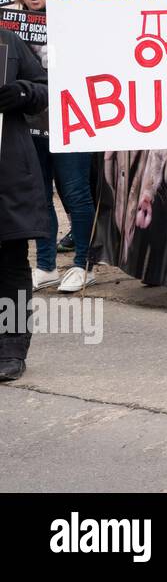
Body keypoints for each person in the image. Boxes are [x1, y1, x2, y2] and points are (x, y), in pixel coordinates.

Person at [7, 0, 96, 292]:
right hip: (32, 124)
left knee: (75, 193)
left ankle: (82, 263)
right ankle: (45, 265)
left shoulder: (75, 20)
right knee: (41, 195)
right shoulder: (12, 27)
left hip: (74, 119)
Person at [0, 25, 49, 382]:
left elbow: (45, 89)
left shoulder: (8, 41)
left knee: (10, 262)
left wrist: (22, 91)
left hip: (7, 171)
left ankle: (11, 349)